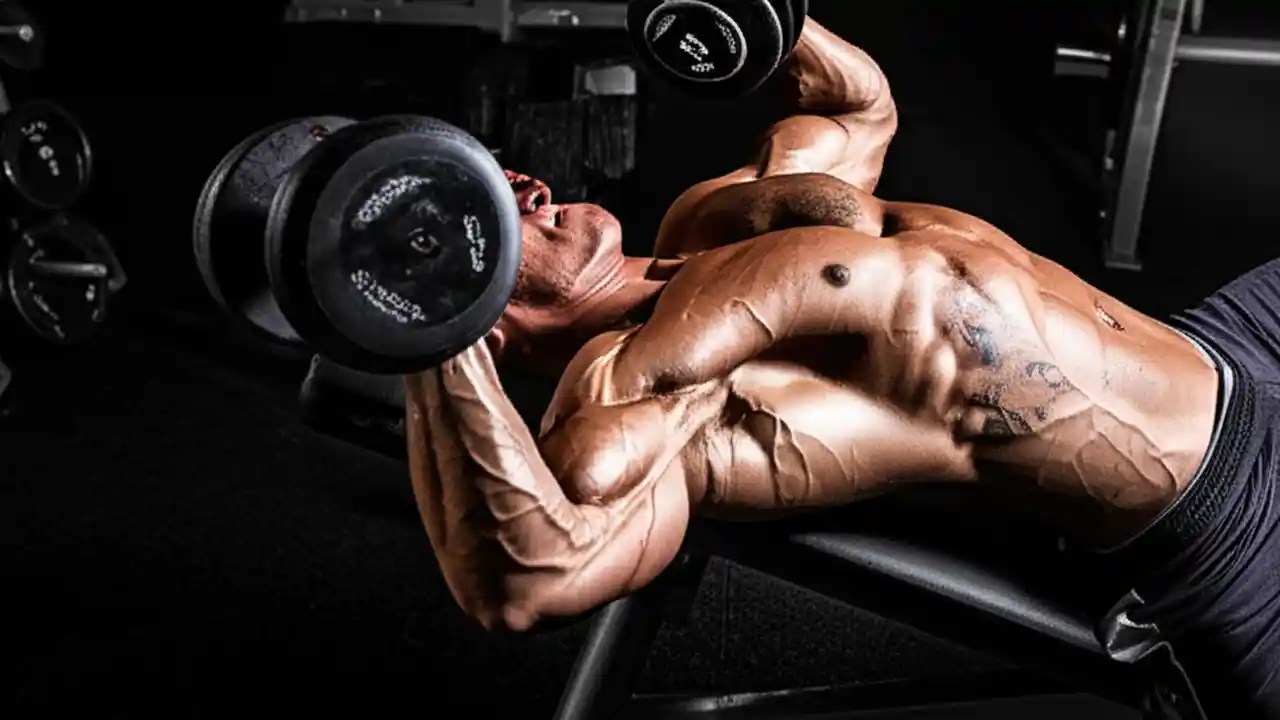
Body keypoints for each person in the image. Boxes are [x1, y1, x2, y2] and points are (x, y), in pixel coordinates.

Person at [404, 16, 1279, 718]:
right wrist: (427, 337)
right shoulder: (636, 379)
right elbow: (527, 578)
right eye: (469, 213)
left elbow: (862, 110)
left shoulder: (706, 217)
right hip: (1227, 524)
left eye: (496, 171)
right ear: (476, 309)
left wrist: (768, 24)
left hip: (1236, 341)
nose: (523, 186)